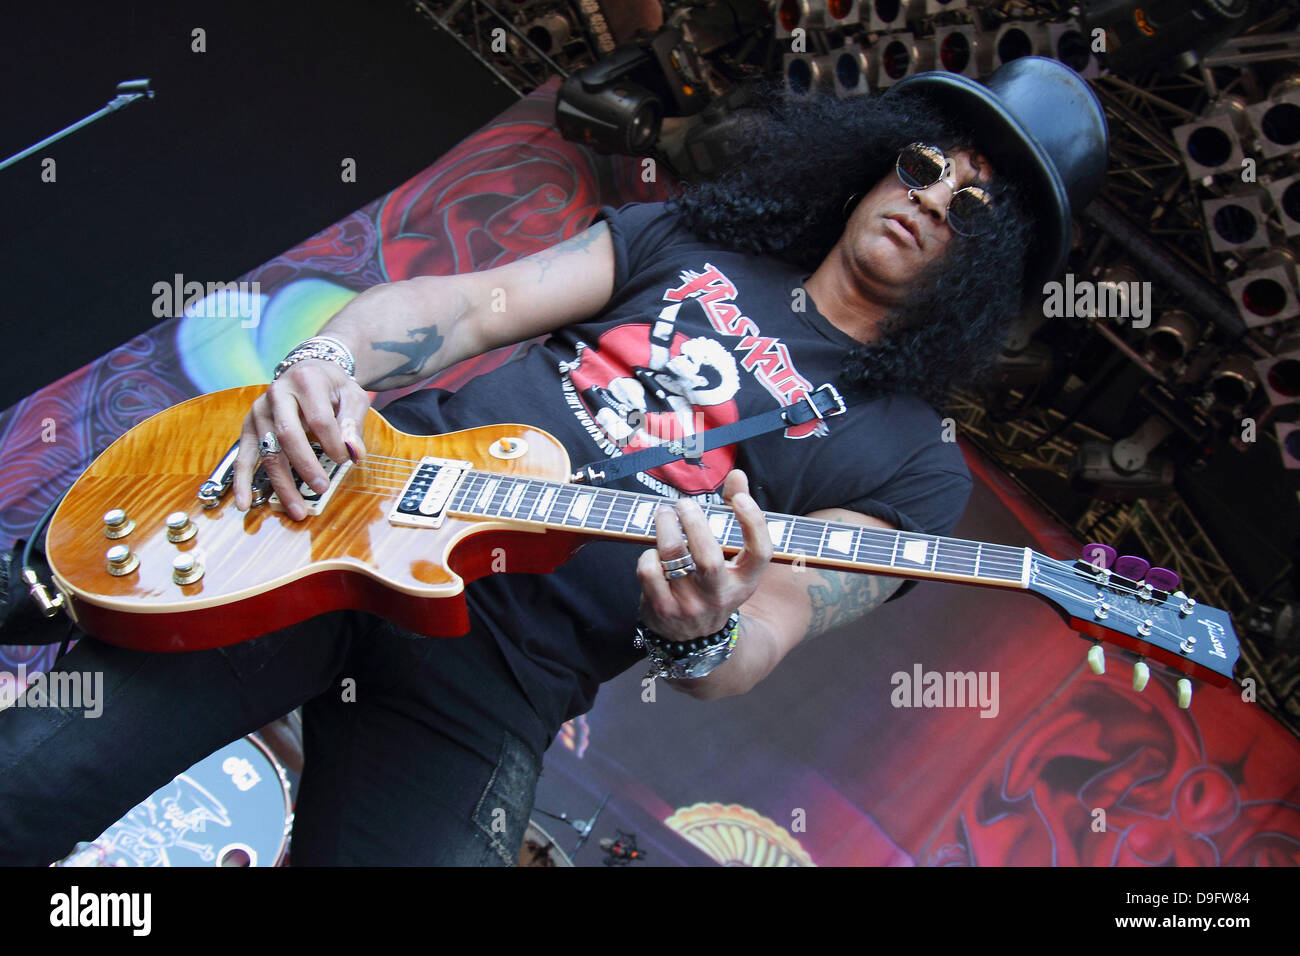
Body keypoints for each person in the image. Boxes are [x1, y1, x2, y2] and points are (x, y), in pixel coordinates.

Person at [0, 57, 1107, 866]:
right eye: (920, 165)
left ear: (988, 268)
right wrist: (330, 352)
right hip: (327, 533)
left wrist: (705, 620)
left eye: (971, 207)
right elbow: (474, 302)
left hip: (495, 681)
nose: (927, 196)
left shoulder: (919, 467)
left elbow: (773, 623)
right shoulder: (687, 241)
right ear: (874, 165)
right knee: (31, 778)